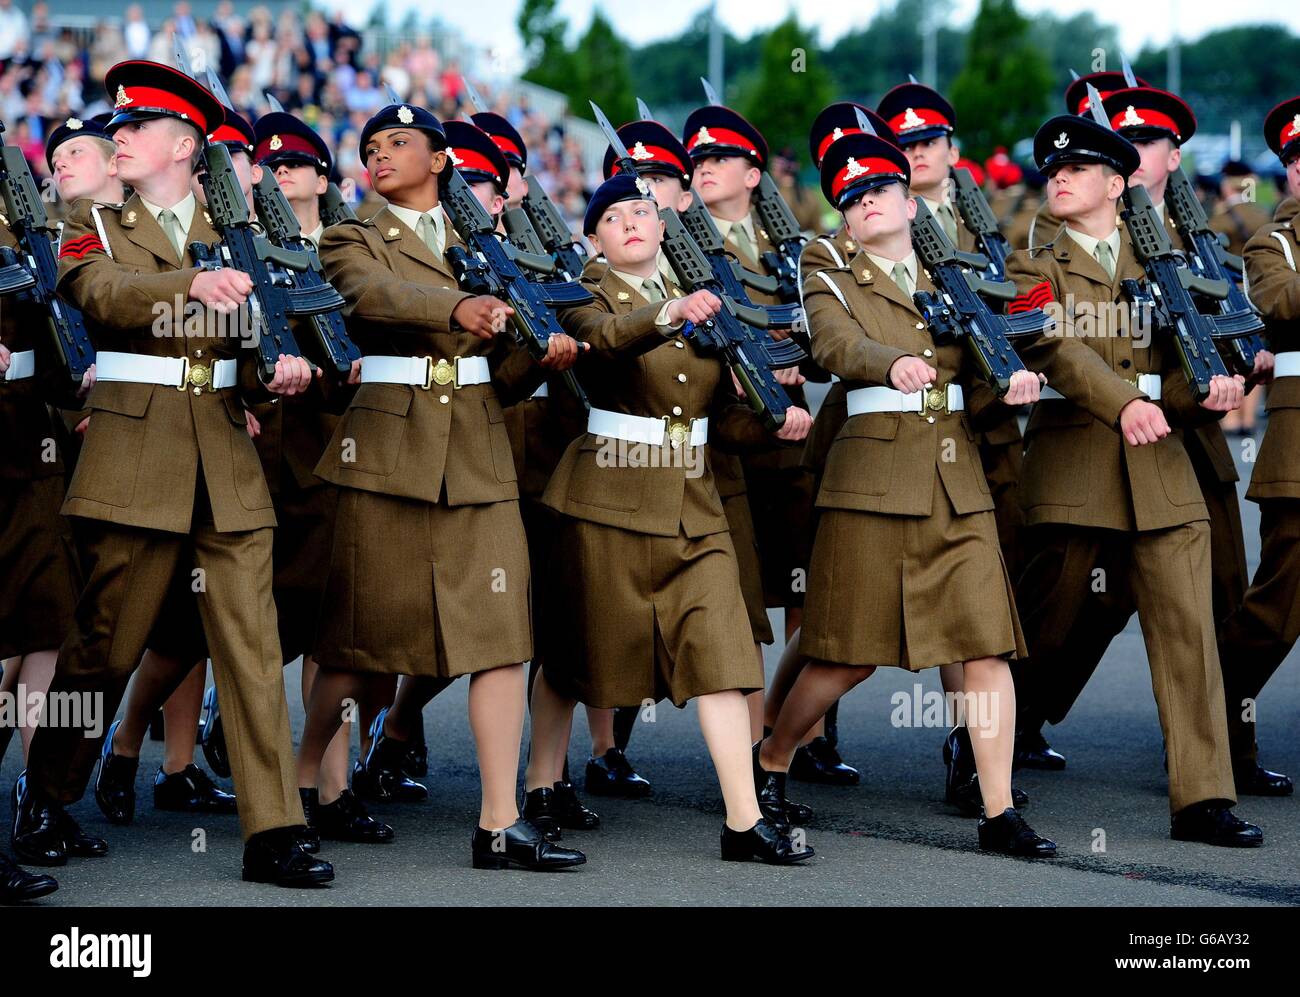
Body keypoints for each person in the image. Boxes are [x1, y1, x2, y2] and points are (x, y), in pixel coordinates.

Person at [11, 59, 332, 887]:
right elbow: (101, 293)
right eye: (115, 124)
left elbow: (259, 341)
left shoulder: (241, 233)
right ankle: (46, 795)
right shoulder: (92, 220)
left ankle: (273, 830)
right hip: (135, 450)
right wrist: (192, 283)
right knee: (103, 646)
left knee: (252, 649)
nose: (114, 134)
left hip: (225, 453)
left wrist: (279, 372)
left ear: (185, 143)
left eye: (134, 126)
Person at [758, 128, 1054, 856]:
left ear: (909, 201)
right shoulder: (825, 262)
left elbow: (992, 355)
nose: (866, 204)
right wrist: (889, 363)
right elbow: (831, 344)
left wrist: (1013, 380)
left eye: (880, 190)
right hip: (871, 479)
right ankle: (771, 757)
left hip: (955, 481)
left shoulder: (953, 268)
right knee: (843, 655)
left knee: (985, 646)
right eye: (852, 198)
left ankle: (997, 808)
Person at [310, 96, 586, 870]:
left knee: (501, 637)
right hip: (389, 452)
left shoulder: (488, 244)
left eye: (399, 141)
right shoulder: (350, 236)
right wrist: (462, 303)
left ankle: (500, 823)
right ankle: (313, 781)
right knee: (355, 643)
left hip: (473, 454)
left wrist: (543, 347)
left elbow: (497, 381)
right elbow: (371, 295)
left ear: (440, 159)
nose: (380, 153)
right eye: (370, 145)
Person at [524, 169, 815, 864]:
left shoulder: (707, 302)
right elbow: (600, 339)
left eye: (642, 211)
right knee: (574, 656)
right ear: (593, 236)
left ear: (663, 227)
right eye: (614, 215)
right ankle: (541, 786)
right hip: (605, 498)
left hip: (694, 500)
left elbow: (717, 419)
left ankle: (743, 821)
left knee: (722, 655)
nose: (630, 221)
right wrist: (668, 313)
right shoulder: (583, 291)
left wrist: (773, 422)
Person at [1005, 110, 1263, 846]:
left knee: (1189, 634)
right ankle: (989, 738)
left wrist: (1209, 389)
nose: (1058, 177)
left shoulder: (1167, 260)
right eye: (1052, 171)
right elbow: (1053, 347)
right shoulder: (1032, 263)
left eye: (1076, 169)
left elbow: (1180, 372)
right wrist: (1127, 406)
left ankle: (1201, 796)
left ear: (1118, 183)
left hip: (1161, 470)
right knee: (1048, 625)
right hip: (1074, 465)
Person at [1214, 95, 1300, 798]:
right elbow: (1281, 304)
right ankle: (1213, 731)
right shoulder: (1271, 243)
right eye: (1298, 161)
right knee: (1275, 611)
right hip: (1298, 452)